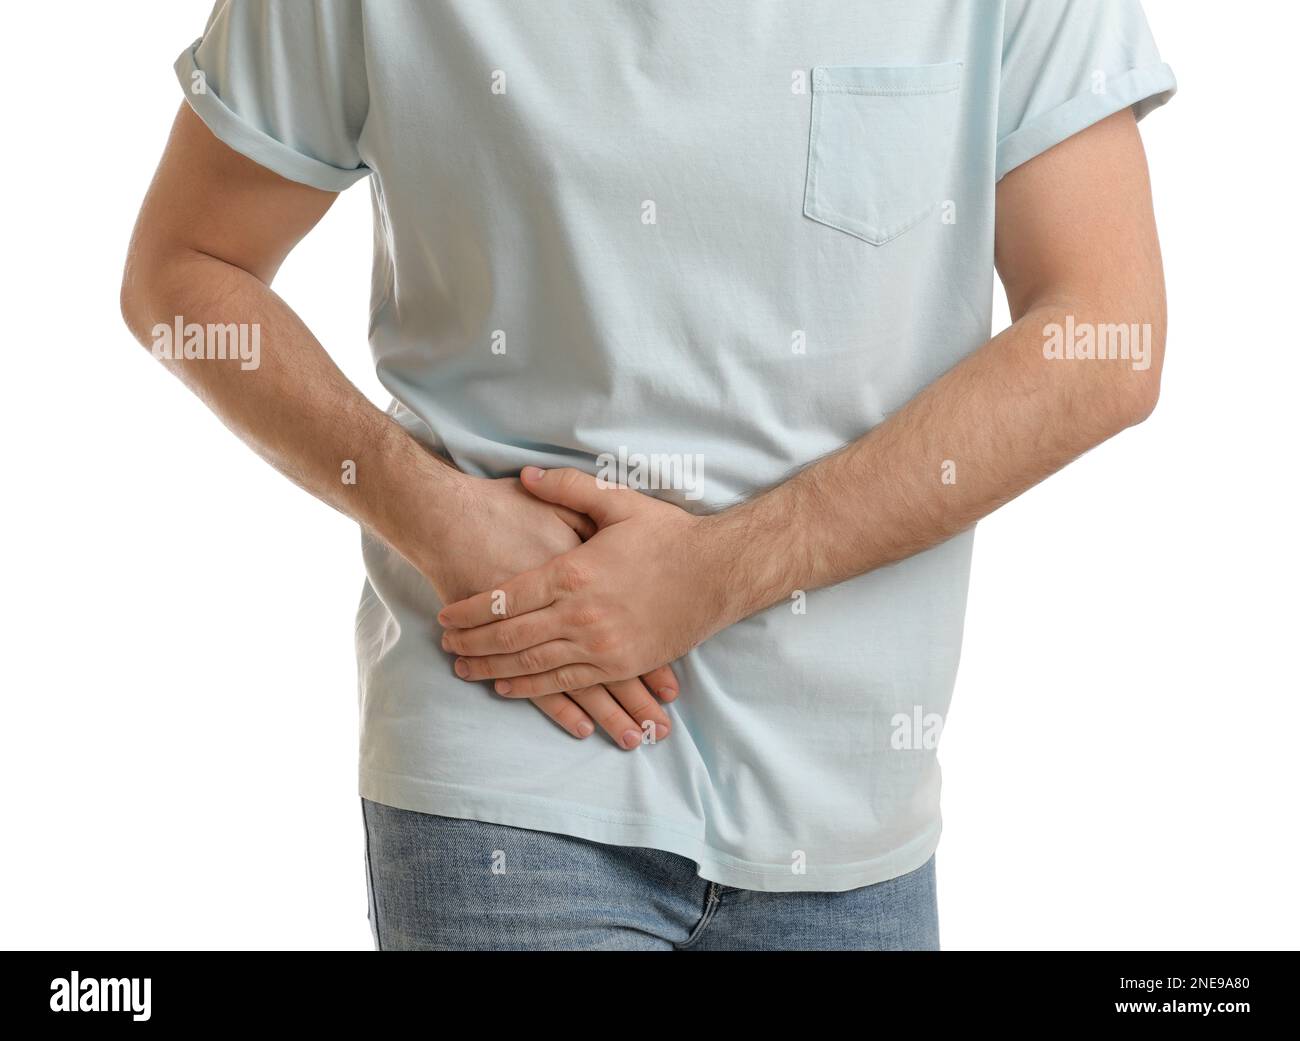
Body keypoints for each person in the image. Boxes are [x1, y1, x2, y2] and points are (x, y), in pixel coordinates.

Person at [121, 0, 1175, 950]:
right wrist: (434, 513)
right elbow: (186, 268)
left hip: (856, 808)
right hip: (510, 736)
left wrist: (720, 571)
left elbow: (1105, 334)